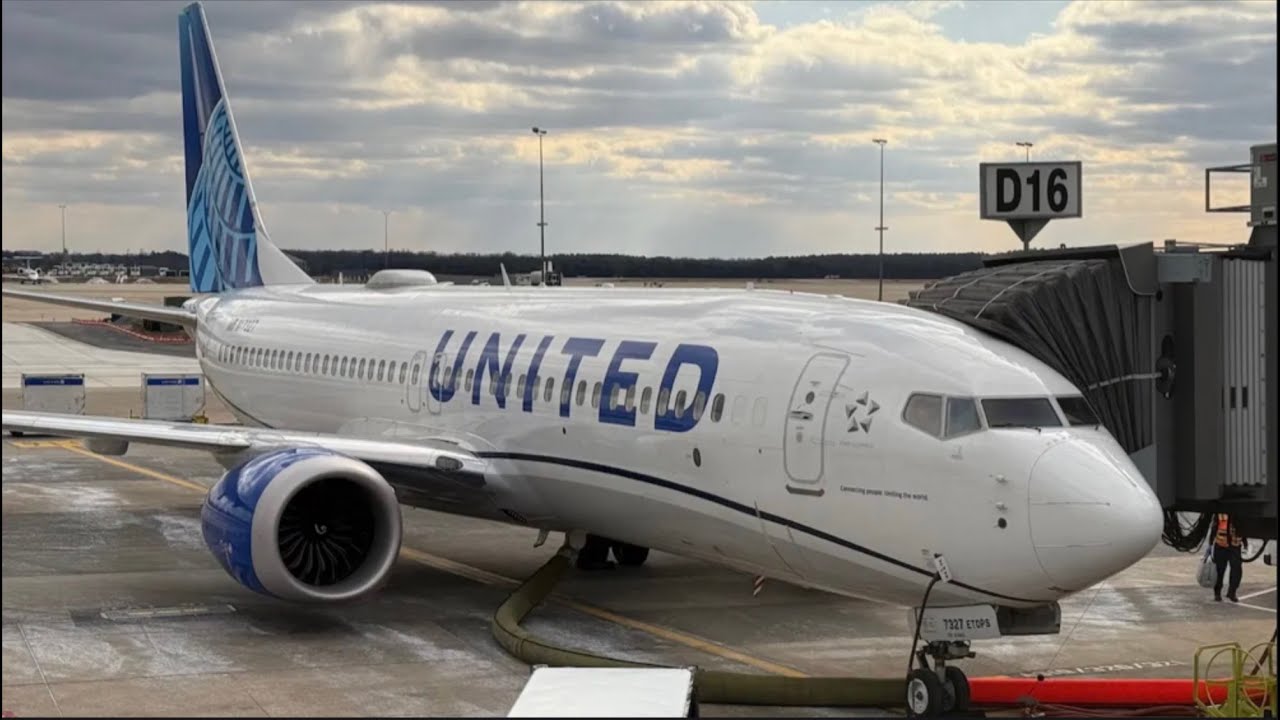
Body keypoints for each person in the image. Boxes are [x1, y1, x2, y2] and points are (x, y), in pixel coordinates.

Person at [1212, 513, 1244, 602]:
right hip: (1221, 545)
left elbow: (1244, 526)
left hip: (1235, 545)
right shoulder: (1220, 512)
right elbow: (1214, 526)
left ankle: (1232, 592)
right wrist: (1211, 544)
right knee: (1219, 570)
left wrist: (1244, 541)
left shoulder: (1240, 511)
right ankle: (1217, 593)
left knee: (1236, 570)